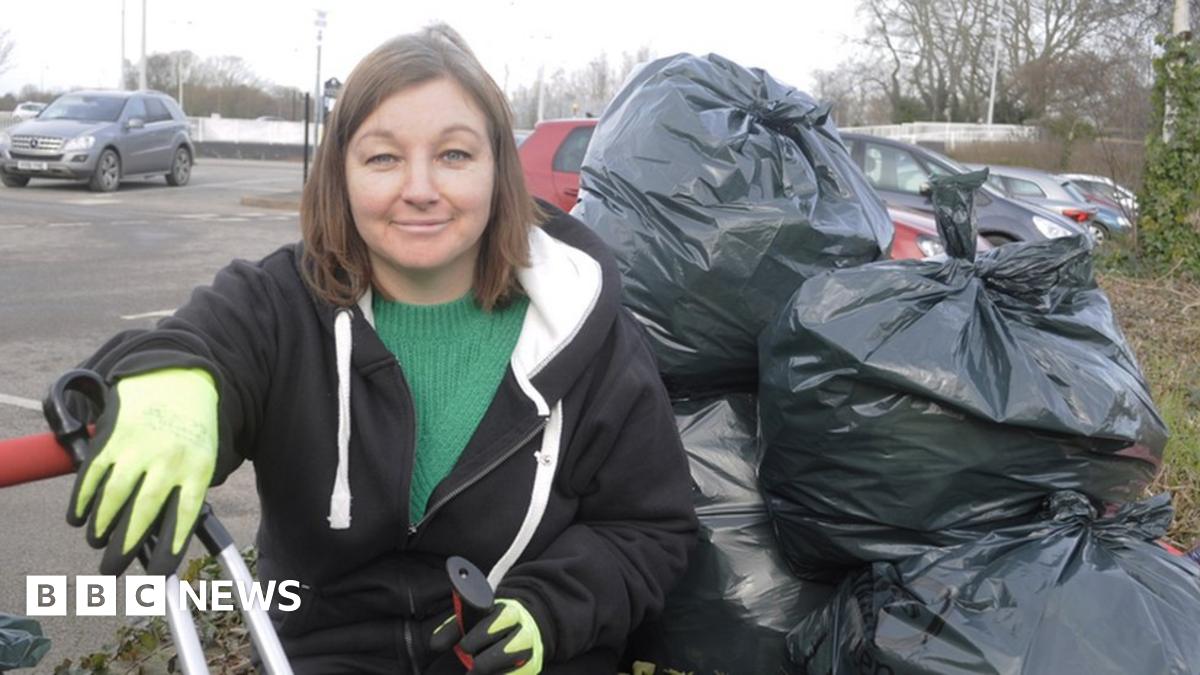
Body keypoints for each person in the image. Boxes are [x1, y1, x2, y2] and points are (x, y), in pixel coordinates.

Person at [63, 24, 697, 674]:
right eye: (383, 158)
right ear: (340, 173)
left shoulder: (584, 327)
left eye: (454, 155)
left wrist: (548, 610)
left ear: (499, 171)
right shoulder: (283, 305)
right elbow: (193, 342)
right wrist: (175, 379)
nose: (419, 188)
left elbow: (650, 528)